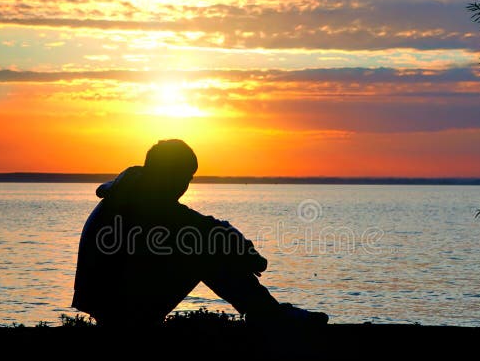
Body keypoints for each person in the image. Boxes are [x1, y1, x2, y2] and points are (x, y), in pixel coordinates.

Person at [72, 139, 328, 328]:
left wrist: (236, 245)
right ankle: (268, 314)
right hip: (119, 308)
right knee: (205, 250)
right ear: (165, 173)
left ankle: (267, 312)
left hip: (115, 300)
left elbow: (203, 225)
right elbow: (204, 229)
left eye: (188, 179)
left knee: (204, 243)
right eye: (182, 177)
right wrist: (246, 254)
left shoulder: (132, 190)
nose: (184, 186)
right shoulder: (141, 200)